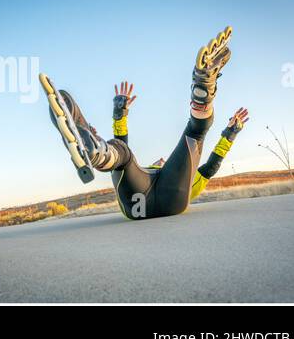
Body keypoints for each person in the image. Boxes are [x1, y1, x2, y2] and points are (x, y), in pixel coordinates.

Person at [40, 27, 249, 220]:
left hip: (138, 203)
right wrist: (230, 134)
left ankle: (98, 153)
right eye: (162, 161)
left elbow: (211, 167)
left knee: (124, 154)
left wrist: (119, 114)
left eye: (162, 161)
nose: (161, 160)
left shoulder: (149, 170)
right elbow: (211, 166)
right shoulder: (174, 173)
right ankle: (202, 91)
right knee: (194, 133)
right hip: (172, 200)